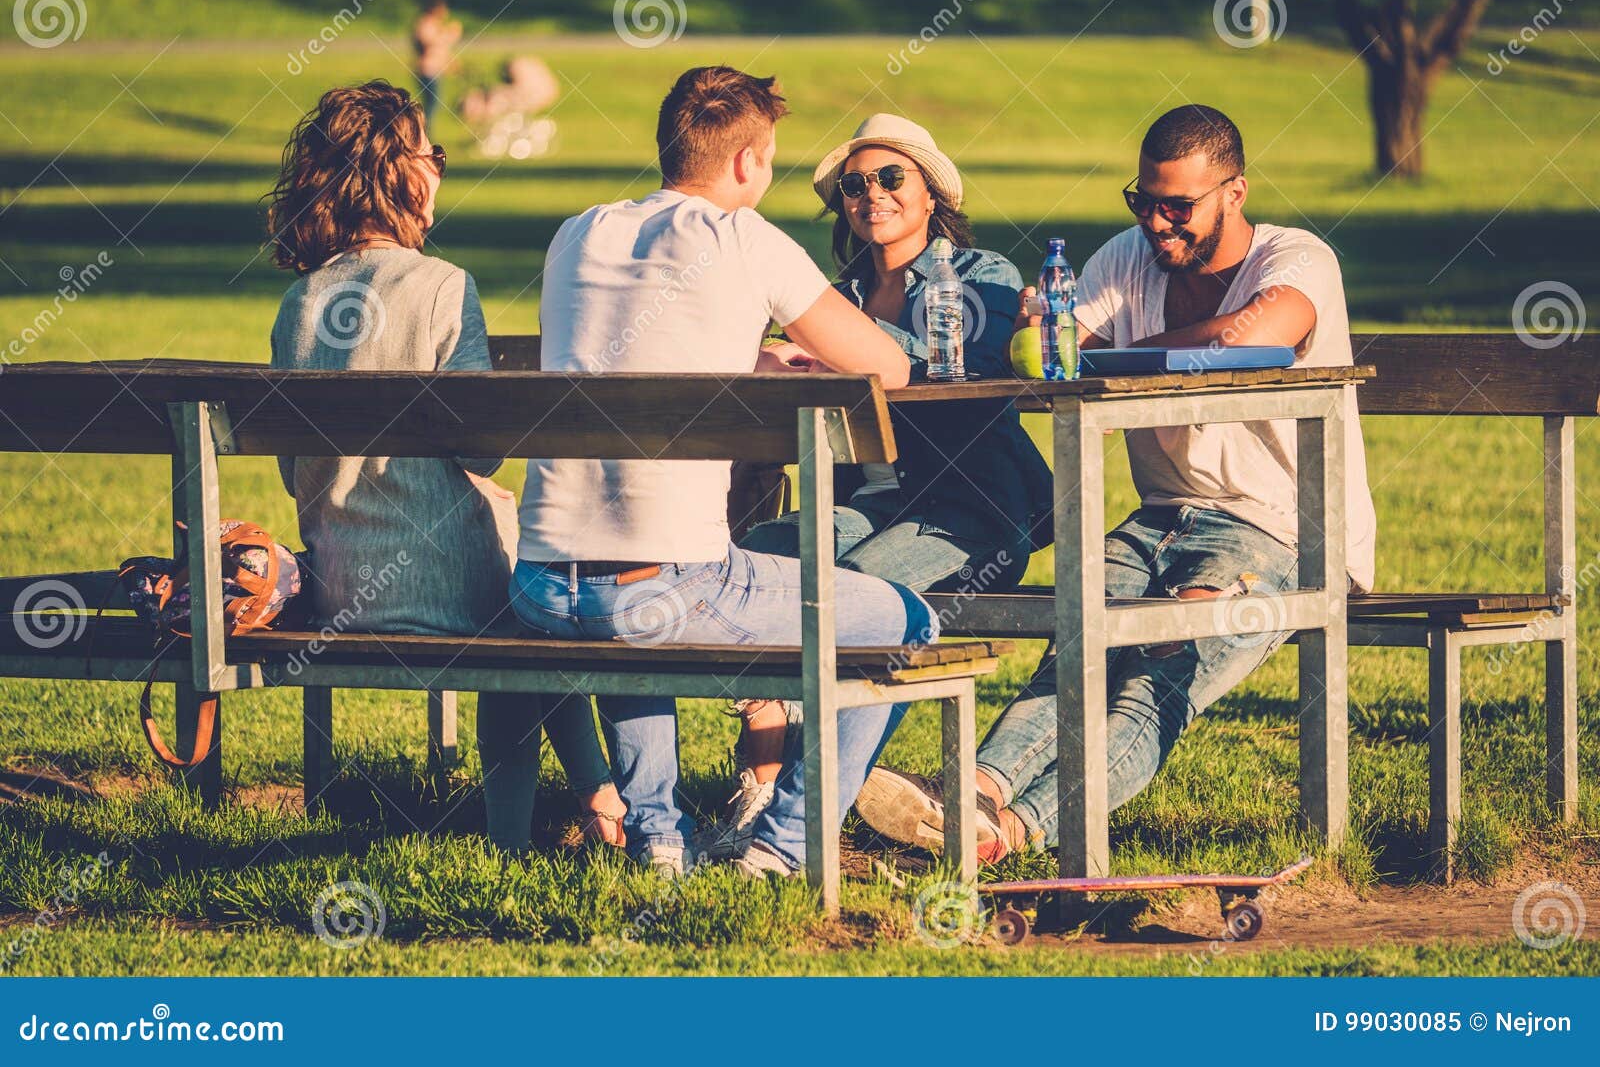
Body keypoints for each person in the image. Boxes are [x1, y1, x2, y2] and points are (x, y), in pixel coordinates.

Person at [855, 103, 1377, 861]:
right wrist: (1047, 324)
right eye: (1143, 202)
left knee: (1159, 669)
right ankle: (974, 796)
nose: (1158, 225)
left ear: (1234, 192)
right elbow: (1045, 346)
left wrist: (1113, 353)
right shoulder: (1127, 258)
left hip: (1284, 529)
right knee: (1076, 645)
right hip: (1161, 514)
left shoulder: (1296, 259)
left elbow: (1253, 335)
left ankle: (1010, 831)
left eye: (1178, 207)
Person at [502, 65, 939, 879]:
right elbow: (889, 366)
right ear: (746, 162)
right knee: (904, 622)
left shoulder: (579, 232)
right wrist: (781, 353)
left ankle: (660, 837)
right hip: (656, 585)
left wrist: (740, 352)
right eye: (768, 161)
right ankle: (785, 844)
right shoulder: (744, 239)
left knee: (623, 596)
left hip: (539, 583)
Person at [265, 80, 628, 850]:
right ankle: (526, 832)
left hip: (338, 586)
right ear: (399, 171)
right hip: (451, 587)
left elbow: (290, 462)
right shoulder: (442, 287)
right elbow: (481, 448)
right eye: (433, 153)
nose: (440, 168)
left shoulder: (300, 301)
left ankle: (600, 805)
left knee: (530, 602)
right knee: (537, 604)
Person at [703, 114, 1052, 861]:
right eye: (856, 185)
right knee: (734, 565)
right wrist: (793, 353)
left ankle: (794, 821)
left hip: (970, 518)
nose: (872, 195)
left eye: (892, 178)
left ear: (931, 194)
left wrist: (823, 343)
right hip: (865, 506)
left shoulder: (979, 274)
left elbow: (953, 358)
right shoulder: (832, 295)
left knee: (853, 597)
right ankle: (766, 778)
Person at [411, 0, 461, 132]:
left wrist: (452, 63)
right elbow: (429, 44)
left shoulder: (436, 25)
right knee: (431, 104)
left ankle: (424, 131)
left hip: (435, 70)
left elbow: (441, 49)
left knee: (434, 104)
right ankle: (422, 131)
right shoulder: (425, 23)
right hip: (427, 70)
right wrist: (450, 35)